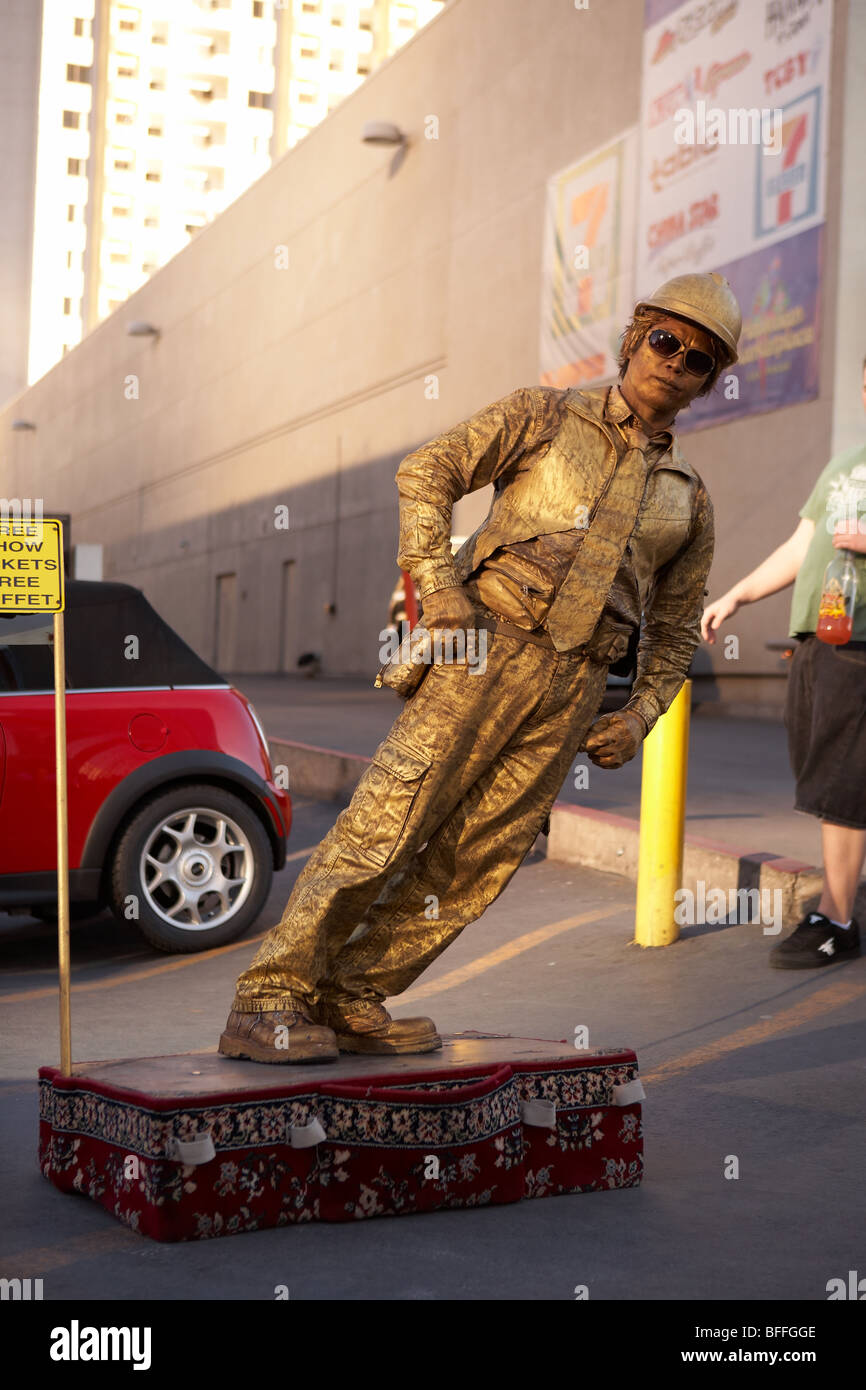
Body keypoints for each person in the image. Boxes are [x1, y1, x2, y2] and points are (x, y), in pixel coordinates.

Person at [219, 272, 742, 1064]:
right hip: (482, 646)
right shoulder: (545, 413)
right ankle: (267, 999)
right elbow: (425, 470)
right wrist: (437, 586)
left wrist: (638, 715)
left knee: (478, 859)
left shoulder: (688, 499)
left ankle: (352, 992)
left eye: (698, 359)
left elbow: (671, 633)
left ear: (707, 384)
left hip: (574, 689)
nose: (675, 362)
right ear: (634, 340)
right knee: (386, 824)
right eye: (666, 340)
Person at [702, 358, 866, 969]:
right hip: (819, 642)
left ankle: (837, 919)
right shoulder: (845, 465)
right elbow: (800, 546)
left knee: (842, 785)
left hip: (861, 647)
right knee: (826, 780)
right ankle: (840, 909)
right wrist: (738, 595)